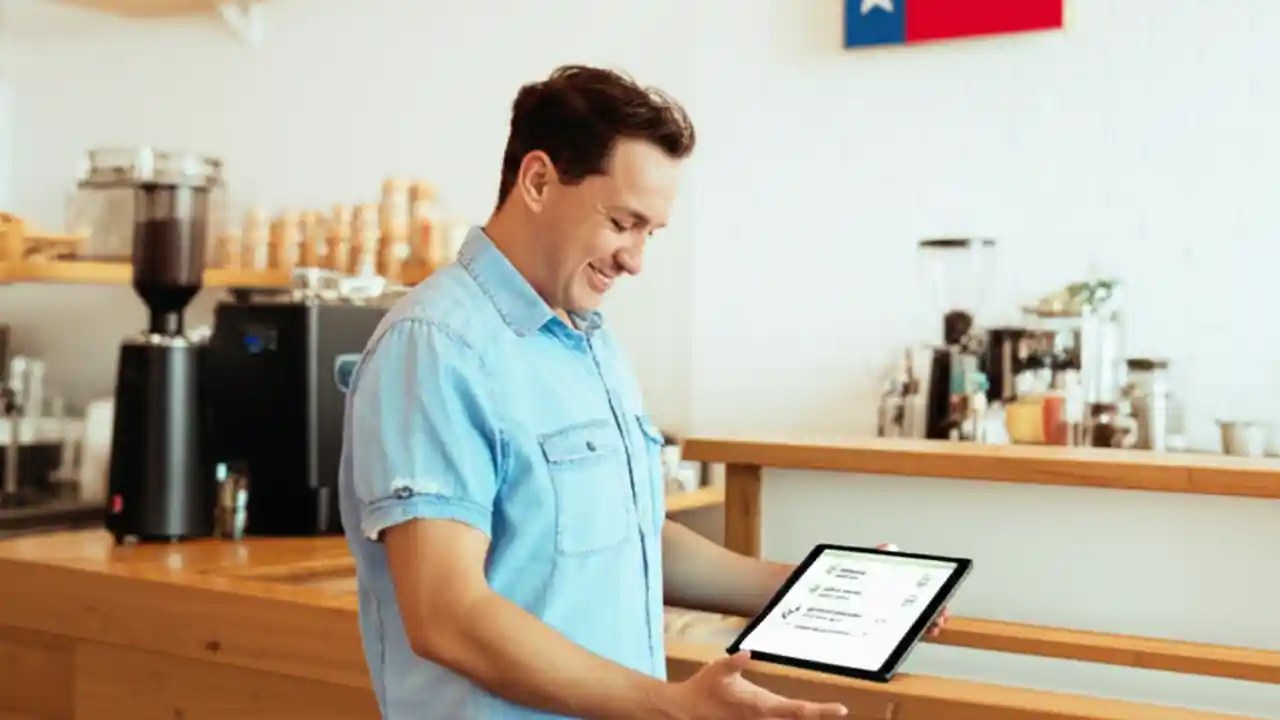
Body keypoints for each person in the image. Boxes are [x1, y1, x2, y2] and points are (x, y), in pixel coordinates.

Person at [338, 64, 942, 719]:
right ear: (537, 180)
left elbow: (636, 540)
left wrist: (819, 592)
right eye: (623, 222)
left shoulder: (590, 341)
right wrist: (670, 704)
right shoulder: (435, 346)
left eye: (650, 232)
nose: (636, 259)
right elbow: (446, 615)